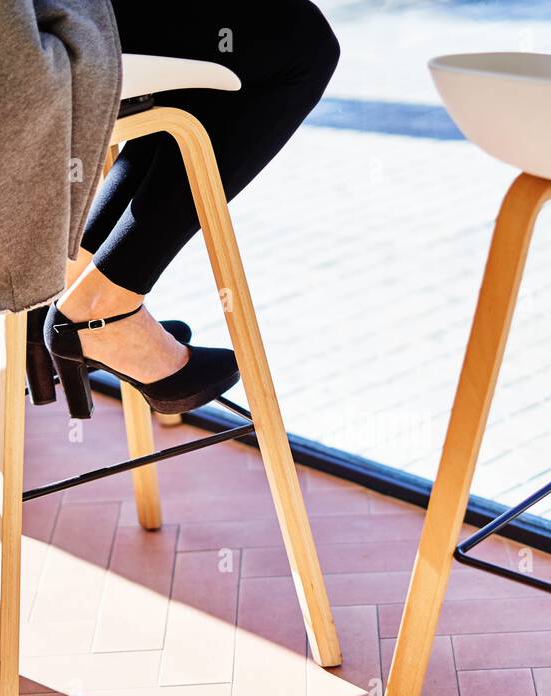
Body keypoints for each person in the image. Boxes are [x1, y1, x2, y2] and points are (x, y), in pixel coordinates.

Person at [40, 0, 341, 418]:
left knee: (217, 50)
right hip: (31, 32)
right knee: (302, 44)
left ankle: (70, 284)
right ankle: (102, 309)